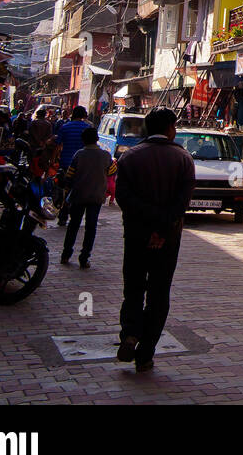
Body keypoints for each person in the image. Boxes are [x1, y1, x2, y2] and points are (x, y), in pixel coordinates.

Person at [114, 107, 196, 373]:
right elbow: (181, 204)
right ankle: (146, 352)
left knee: (134, 288)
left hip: (136, 236)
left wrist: (147, 226)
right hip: (168, 239)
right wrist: (161, 230)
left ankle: (130, 333)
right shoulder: (183, 159)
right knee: (159, 294)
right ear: (169, 129)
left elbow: (123, 199)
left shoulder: (130, 158)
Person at [60, 126, 115, 269]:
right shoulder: (106, 156)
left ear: (83, 140)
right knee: (91, 227)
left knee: (73, 225)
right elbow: (112, 171)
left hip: (78, 195)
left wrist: (66, 192)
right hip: (96, 196)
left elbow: (69, 176)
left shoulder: (79, 155)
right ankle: (84, 257)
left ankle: (66, 254)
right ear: (97, 139)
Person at [54, 106, 93, 226]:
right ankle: (75, 216)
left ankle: (63, 215)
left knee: (66, 190)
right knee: (78, 190)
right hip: (81, 165)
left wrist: (55, 160)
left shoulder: (65, 127)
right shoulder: (87, 128)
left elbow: (58, 145)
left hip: (66, 164)